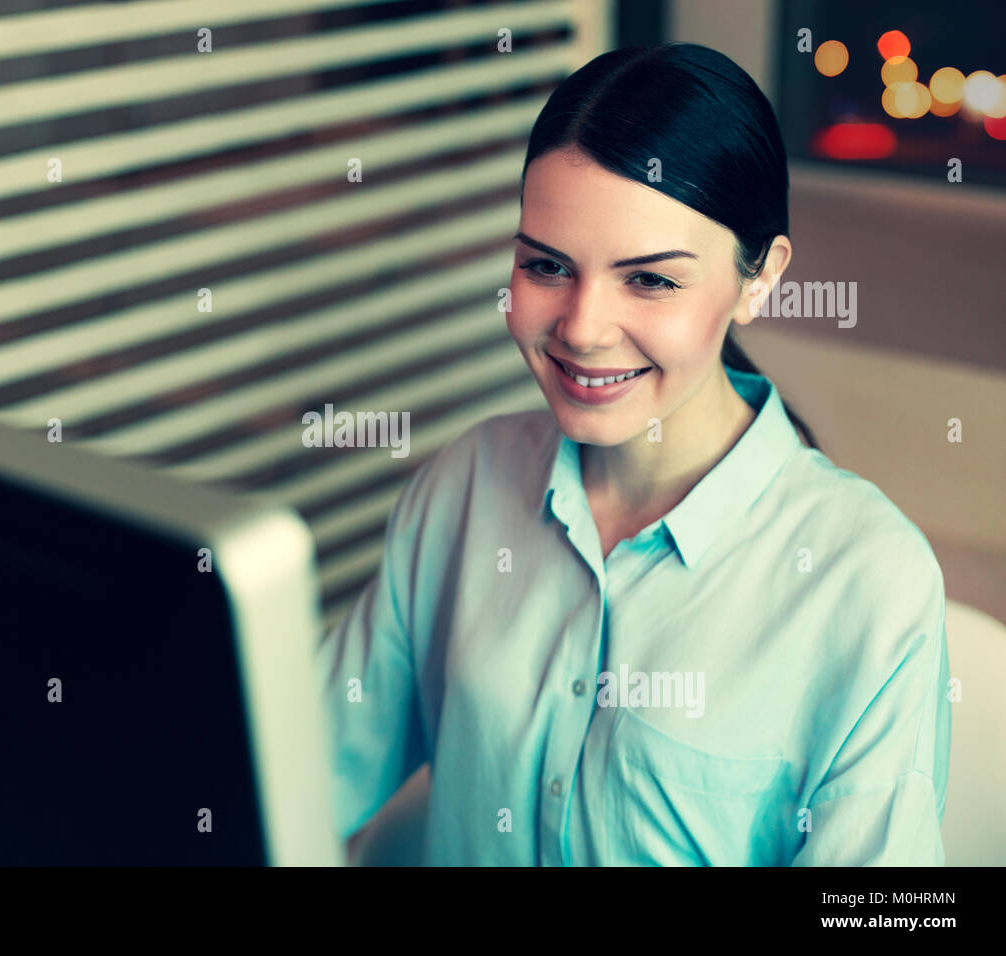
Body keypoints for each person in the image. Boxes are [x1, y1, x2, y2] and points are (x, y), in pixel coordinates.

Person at [316, 42, 952, 866]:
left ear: (760, 279)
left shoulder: (868, 584)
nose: (581, 328)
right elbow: (293, 774)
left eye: (649, 280)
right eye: (546, 266)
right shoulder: (464, 488)